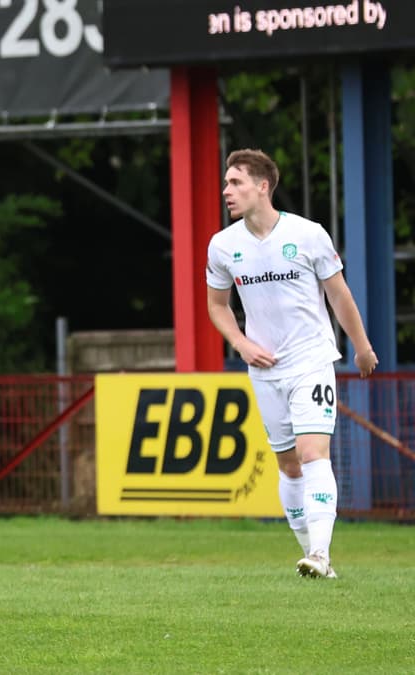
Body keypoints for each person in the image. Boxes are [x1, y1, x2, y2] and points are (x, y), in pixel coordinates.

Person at [206, 148, 378, 579]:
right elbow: (217, 305)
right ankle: (313, 556)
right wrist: (241, 344)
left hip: (311, 359)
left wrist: (361, 347)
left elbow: (339, 294)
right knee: (287, 464)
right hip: (265, 369)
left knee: (312, 451)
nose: (227, 191)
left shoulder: (308, 234)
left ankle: (320, 553)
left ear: (263, 187)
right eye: (227, 183)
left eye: (236, 182)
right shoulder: (223, 246)